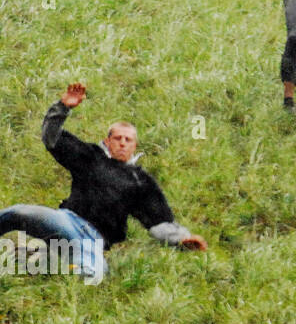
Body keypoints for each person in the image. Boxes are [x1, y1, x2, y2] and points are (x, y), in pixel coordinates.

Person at [0, 83, 207, 282]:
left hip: (93, 241)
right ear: (108, 141)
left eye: (128, 140)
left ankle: (46, 260)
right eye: (118, 138)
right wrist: (62, 107)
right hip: (66, 222)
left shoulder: (140, 181)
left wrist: (182, 239)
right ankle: (42, 254)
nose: (123, 143)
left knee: (92, 277)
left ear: (135, 145)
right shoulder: (90, 157)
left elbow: (159, 222)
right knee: (19, 213)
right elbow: (51, 138)